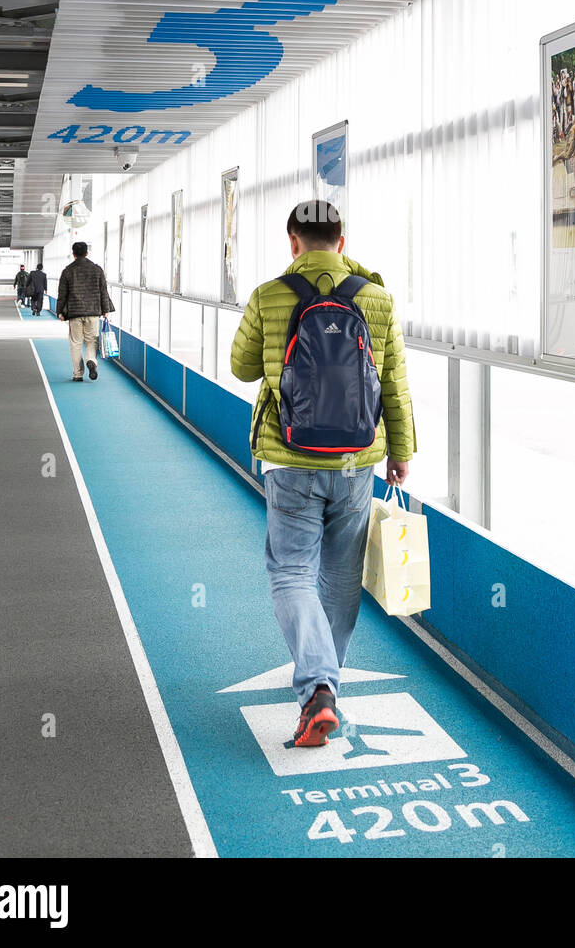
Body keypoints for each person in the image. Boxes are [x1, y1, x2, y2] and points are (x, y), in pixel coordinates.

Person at [231, 201, 416, 749]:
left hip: (288, 456)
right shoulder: (377, 299)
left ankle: (317, 689)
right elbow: (395, 386)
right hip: (356, 460)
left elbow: (242, 367)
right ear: (342, 238)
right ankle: (325, 683)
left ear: (293, 241)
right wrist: (400, 453)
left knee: (290, 571)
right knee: (339, 577)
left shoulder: (270, 294)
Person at [56, 241, 115, 381]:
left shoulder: (67, 271)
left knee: (76, 343)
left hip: (75, 313)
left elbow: (62, 294)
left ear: (73, 254)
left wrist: (60, 312)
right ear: (87, 253)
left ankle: (77, 374)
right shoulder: (97, 269)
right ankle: (91, 361)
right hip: (93, 312)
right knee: (91, 341)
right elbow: (103, 291)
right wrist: (105, 309)